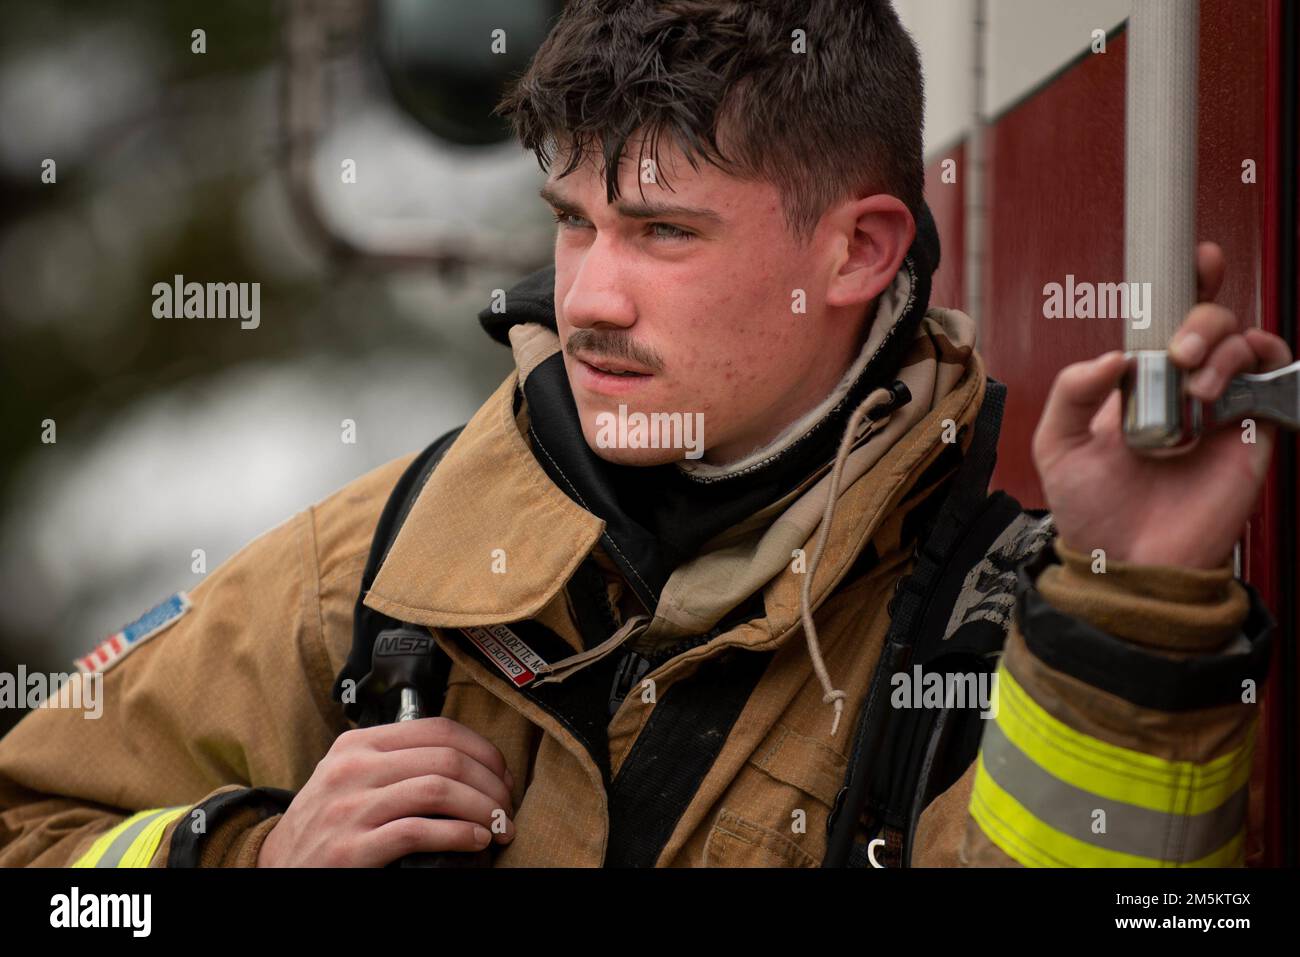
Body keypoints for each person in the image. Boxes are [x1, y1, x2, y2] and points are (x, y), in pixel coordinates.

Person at [0, 0, 1285, 868]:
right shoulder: (382, 566)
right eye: (573, 221)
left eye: (664, 231)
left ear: (857, 250)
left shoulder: (1018, 630)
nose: (589, 297)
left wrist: (1133, 629)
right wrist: (253, 853)